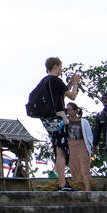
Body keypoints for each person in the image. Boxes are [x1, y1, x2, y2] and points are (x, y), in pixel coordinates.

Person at [35, 57, 81, 191]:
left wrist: (69, 84)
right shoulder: (55, 80)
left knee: (58, 148)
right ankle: (62, 184)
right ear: (55, 66)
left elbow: (60, 97)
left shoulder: (45, 81)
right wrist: (76, 83)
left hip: (48, 120)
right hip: (58, 118)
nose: (61, 70)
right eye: (60, 67)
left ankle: (62, 182)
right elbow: (72, 96)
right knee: (61, 151)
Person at [65, 102, 94, 193]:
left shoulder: (84, 122)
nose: (68, 111)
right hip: (70, 147)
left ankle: (88, 190)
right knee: (74, 170)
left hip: (82, 146)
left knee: (84, 168)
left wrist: (92, 147)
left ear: (75, 110)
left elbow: (89, 135)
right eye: (67, 109)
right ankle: (83, 189)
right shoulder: (65, 122)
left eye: (69, 109)